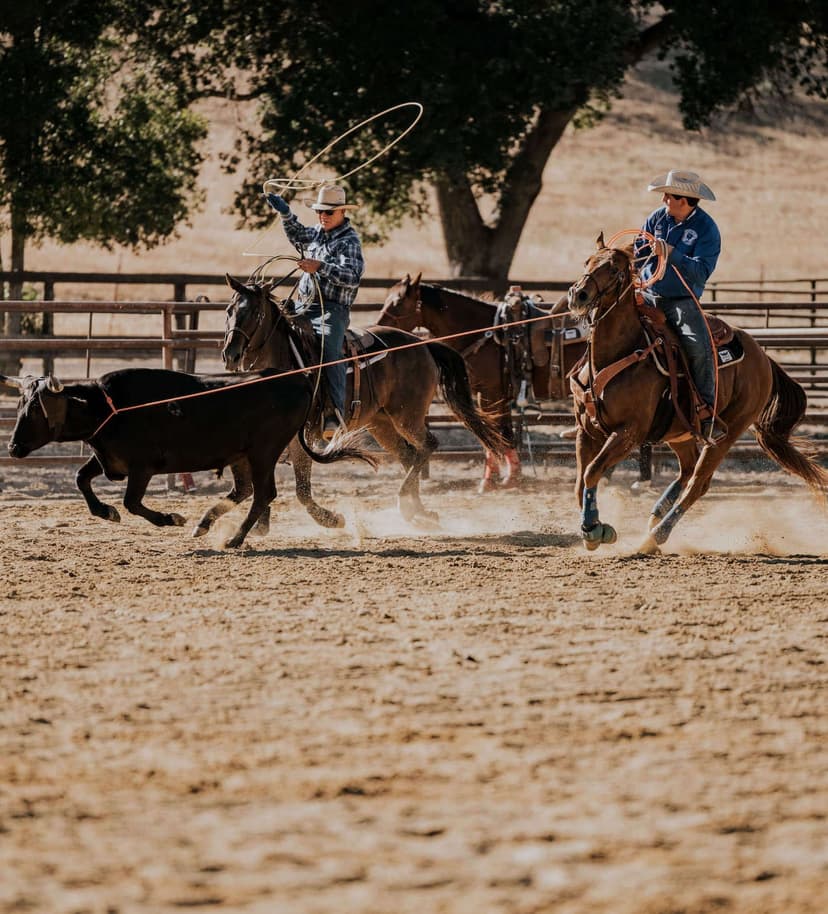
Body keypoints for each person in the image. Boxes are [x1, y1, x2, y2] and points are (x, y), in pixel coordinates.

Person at [265, 183, 365, 439]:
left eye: (329, 212)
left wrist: (320, 266)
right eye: (320, 211)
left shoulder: (349, 241)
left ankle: (334, 414)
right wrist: (285, 214)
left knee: (330, 352)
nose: (323, 216)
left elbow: (351, 277)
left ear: (342, 212)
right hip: (303, 304)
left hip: (331, 309)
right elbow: (298, 235)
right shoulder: (318, 233)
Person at [636, 169, 724, 445]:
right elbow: (639, 251)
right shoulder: (657, 218)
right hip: (648, 294)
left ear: (683, 200)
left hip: (681, 301)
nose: (663, 200)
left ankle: (706, 413)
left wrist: (672, 254)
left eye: (668, 196)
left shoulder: (707, 229)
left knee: (699, 348)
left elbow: (701, 272)